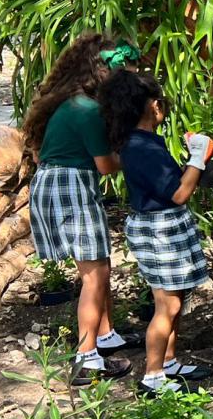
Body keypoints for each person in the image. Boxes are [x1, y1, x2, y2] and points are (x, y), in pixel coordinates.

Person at [22, 33, 143, 384]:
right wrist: (138, 153)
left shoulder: (73, 102)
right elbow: (105, 165)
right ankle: (87, 356)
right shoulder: (87, 110)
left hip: (57, 183)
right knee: (95, 274)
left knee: (99, 266)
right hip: (69, 186)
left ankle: (106, 336)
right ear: (105, 73)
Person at [98, 68, 213, 393]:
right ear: (152, 107)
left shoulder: (142, 142)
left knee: (176, 299)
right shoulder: (141, 148)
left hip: (164, 225)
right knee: (168, 304)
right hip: (160, 228)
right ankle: (152, 376)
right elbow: (179, 192)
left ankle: (169, 361)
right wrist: (198, 159)